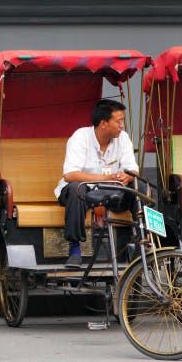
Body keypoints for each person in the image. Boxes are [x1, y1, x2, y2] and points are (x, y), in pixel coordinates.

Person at [54, 99, 139, 267]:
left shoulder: (123, 138)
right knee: (76, 189)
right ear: (103, 124)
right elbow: (70, 175)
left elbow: (133, 170)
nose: (122, 125)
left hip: (111, 192)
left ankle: (144, 241)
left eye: (123, 120)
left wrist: (127, 177)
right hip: (82, 192)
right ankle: (75, 249)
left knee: (141, 187)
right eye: (119, 121)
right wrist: (107, 178)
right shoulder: (81, 137)